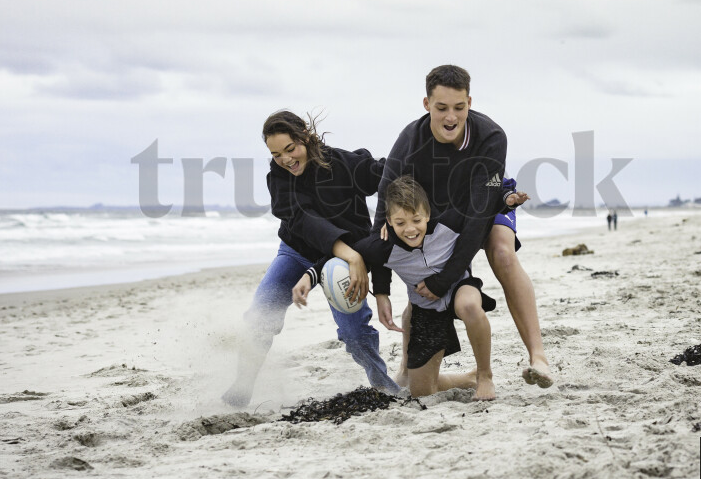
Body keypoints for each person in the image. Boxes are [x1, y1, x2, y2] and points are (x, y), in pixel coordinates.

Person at [374, 65, 553, 388]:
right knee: (421, 284)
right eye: (441, 108)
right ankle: (406, 365)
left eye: (459, 108)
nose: (451, 117)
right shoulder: (410, 141)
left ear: (470, 102)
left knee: (501, 250)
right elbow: (385, 211)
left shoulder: (491, 137)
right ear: (427, 104)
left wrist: (447, 278)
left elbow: (479, 215)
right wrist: (381, 287)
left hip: (487, 199)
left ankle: (537, 355)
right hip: (439, 213)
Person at [221, 110, 399, 407]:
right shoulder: (278, 180)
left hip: (340, 262)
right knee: (260, 315)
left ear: (305, 136)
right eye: (277, 154)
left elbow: (388, 176)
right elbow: (303, 220)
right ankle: (242, 386)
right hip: (297, 253)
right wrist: (351, 254)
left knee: (354, 333)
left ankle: (383, 385)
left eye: (290, 149)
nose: (286, 160)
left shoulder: (344, 163)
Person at [296, 176, 521, 400]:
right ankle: (467, 379)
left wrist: (507, 199)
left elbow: (482, 206)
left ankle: (484, 376)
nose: (410, 229)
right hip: (426, 307)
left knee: (470, 305)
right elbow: (344, 256)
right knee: (421, 391)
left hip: (459, 286)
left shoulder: (449, 222)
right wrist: (309, 276)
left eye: (416, 220)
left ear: (428, 214)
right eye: (400, 223)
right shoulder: (382, 246)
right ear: (389, 222)